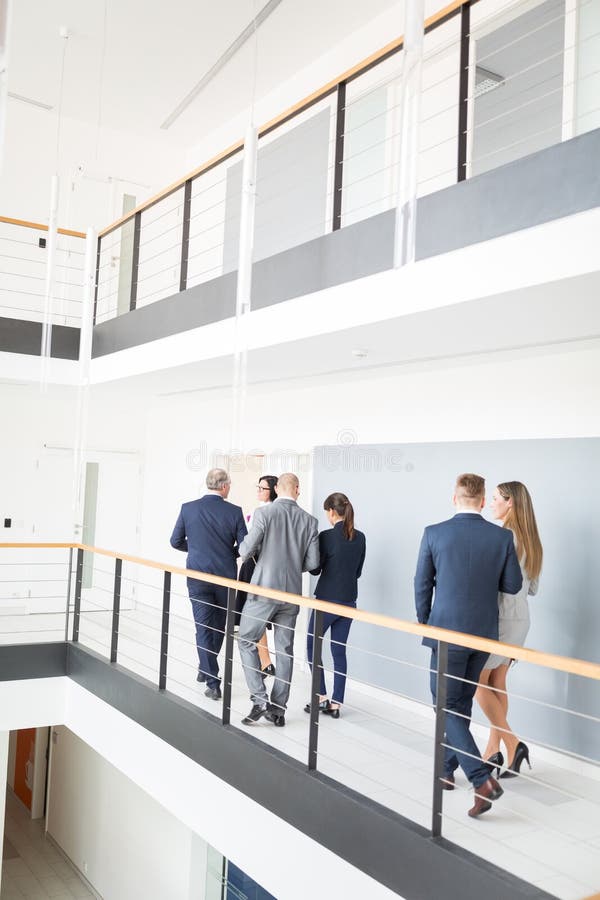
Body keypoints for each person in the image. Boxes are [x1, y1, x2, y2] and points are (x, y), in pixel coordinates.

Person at [414, 473, 523, 818]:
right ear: (481, 499)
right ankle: (447, 770)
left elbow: (421, 583)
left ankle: (480, 779)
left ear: (454, 497)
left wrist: (425, 619)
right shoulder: (501, 536)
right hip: (482, 633)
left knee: (444, 704)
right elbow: (513, 585)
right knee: (459, 703)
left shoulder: (434, 533)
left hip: (446, 632)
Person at [238, 473, 319, 727]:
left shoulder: (264, 514)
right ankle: (278, 709)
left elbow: (244, 550)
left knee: (246, 640)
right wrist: (293, 567)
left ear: (276, 489)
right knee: (284, 651)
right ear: (295, 489)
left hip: (264, 590)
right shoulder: (310, 520)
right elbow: (313, 563)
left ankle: (259, 700)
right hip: (291, 593)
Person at [475, 481, 543, 778]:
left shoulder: (503, 536)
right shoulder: (532, 540)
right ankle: (493, 750)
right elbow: (533, 589)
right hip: (521, 619)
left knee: (477, 682)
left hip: (500, 618)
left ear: (510, 503)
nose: (491, 504)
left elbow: (491, 583)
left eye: (495, 499)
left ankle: (513, 744)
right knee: (498, 679)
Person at [170, 468, 247, 701]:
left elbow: (175, 541)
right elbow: (245, 546)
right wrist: (228, 553)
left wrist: (194, 549)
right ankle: (211, 677)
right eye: (230, 485)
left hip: (197, 577)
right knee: (219, 627)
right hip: (225, 578)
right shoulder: (234, 511)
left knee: (203, 627)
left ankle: (208, 672)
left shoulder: (188, 508)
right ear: (224, 486)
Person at [304, 493, 366, 719]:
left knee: (312, 646)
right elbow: (357, 572)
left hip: (327, 599)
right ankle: (336, 703)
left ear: (331, 512)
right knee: (339, 651)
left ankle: (320, 696)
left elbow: (315, 570)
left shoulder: (326, 536)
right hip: (349, 601)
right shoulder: (360, 537)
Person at [235, 476, 278, 677]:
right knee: (252, 614)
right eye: (258, 486)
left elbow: (252, 541)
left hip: (257, 565)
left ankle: (266, 661)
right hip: (251, 564)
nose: (259, 489)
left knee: (255, 614)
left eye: (263, 487)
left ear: (274, 490)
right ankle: (264, 661)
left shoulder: (269, 512)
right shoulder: (257, 510)